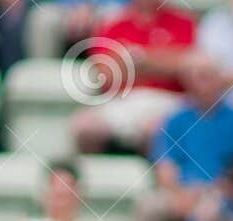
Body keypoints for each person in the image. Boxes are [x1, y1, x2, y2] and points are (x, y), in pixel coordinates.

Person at [133, 59, 233, 221]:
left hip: (221, 193)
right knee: (149, 206)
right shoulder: (175, 119)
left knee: (208, 210)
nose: (201, 83)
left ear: (219, 79)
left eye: (207, 77)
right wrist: (179, 193)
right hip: (181, 191)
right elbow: (165, 166)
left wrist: (214, 190)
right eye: (196, 77)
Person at [71, 0, 197, 155]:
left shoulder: (183, 21)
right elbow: (105, 74)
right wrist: (160, 62)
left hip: (168, 100)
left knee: (158, 128)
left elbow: (188, 67)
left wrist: (135, 60)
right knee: (85, 127)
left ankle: (156, 177)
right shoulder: (112, 22)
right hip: (122, 100)